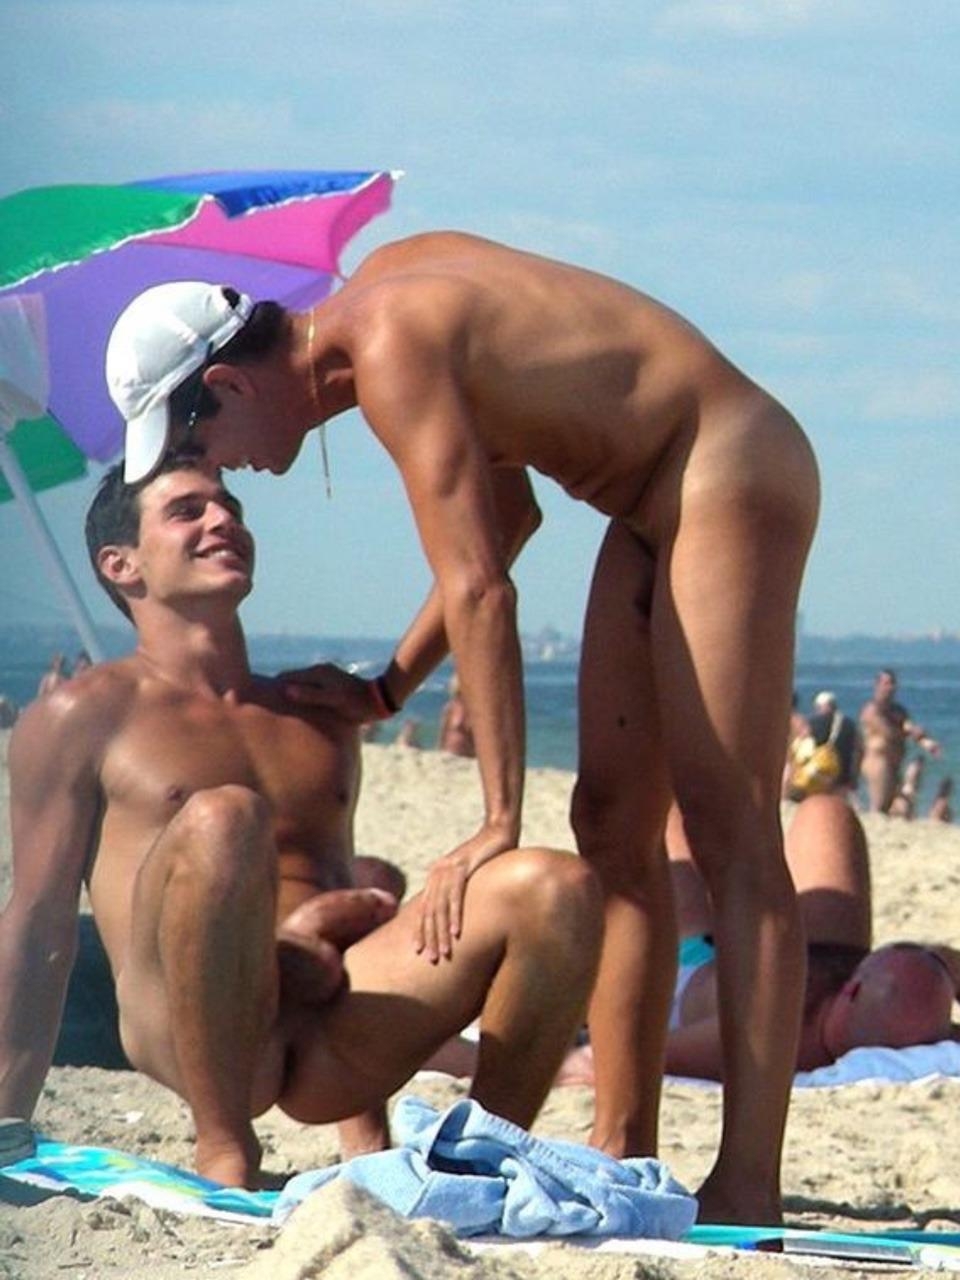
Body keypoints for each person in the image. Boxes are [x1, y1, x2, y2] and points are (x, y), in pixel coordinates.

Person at [106, 235, 821, 1223]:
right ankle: (624, 1137)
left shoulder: (390, 340)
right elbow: (512, 517)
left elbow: (482, 587)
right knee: (611, 824)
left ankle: (750, 1182)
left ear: (227, 383)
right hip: (652, 495)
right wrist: (387, 688)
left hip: (725, 460)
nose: (222, 470)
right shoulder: (381, 302)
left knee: (732, 835)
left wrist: (496, 819)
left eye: (196, 442)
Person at [0, 453, 602, 1189]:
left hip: (326, 1031)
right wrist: (5, 1121)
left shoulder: (315, 710)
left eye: (231, 507)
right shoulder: (81, 715)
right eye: (188, 511)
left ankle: (482, 1159)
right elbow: (39, 926)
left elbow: (329, 877)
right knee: (226, 816)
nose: (223, 520)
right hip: (186, 1025)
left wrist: (366, 1132)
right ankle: (225, 1148)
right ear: (121, 565)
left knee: (556, 887)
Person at [551, 795, 957, 1085]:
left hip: (692, 967)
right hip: (821, 952)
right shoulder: (906, 1027)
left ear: (853, 989)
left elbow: (608, 1060)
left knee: (662, 801)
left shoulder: (760, 1041)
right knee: (825, 810)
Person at [859, 670, 941, 813]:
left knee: (900, 805)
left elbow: (908, 726)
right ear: (877, 685)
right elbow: (888, 733)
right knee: (880, 804)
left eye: (893, 683)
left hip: (895, 763)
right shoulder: (872, 710)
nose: (890, 687)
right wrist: (911, 732)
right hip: (878, 761)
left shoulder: (898, 710)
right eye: (886, 683)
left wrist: (926, 742)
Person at [784, 690, 861, 803]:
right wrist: (853, 778)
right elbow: (858, 751)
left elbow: (800, 747)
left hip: (807, 774)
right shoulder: (849, 724)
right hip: (837, 778)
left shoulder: (808, 722)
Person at [437, 673, 476, 759]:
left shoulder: (476, 712)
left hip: (466, 755)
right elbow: (442, 735)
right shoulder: (450, 708)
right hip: (449, 753)